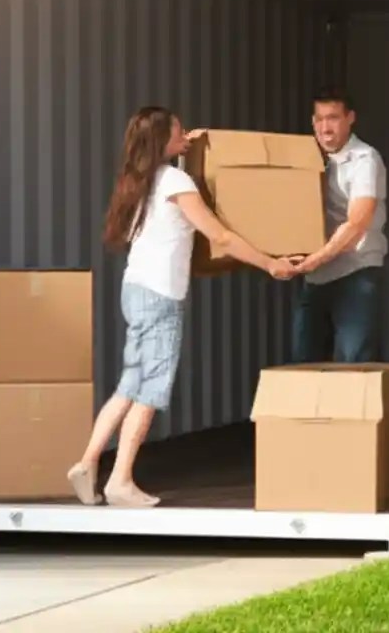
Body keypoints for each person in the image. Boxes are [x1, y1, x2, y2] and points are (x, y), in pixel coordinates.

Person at [68, 106, 298, 508]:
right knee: (150, 390)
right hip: (160, 296)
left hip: (136, 289)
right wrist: (270, 263)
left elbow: (178, 161)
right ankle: (120, 479)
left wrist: (193, 146)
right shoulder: (176, 180)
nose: (185, 131)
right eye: (178, 129)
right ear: (162, 138)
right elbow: (221, 237)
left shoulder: (142, 179)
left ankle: (88, 463)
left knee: (131, 383)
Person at [291, 88, 388, 363]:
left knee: (352, 363)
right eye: (319, 119)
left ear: (350, 118)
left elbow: (358, 222)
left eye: (333, 118)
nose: (325, 127)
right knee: (303, 364)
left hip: (355, 274)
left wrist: (314, 259)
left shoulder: (365, 159)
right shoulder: (304, 159)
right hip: (315, 278)